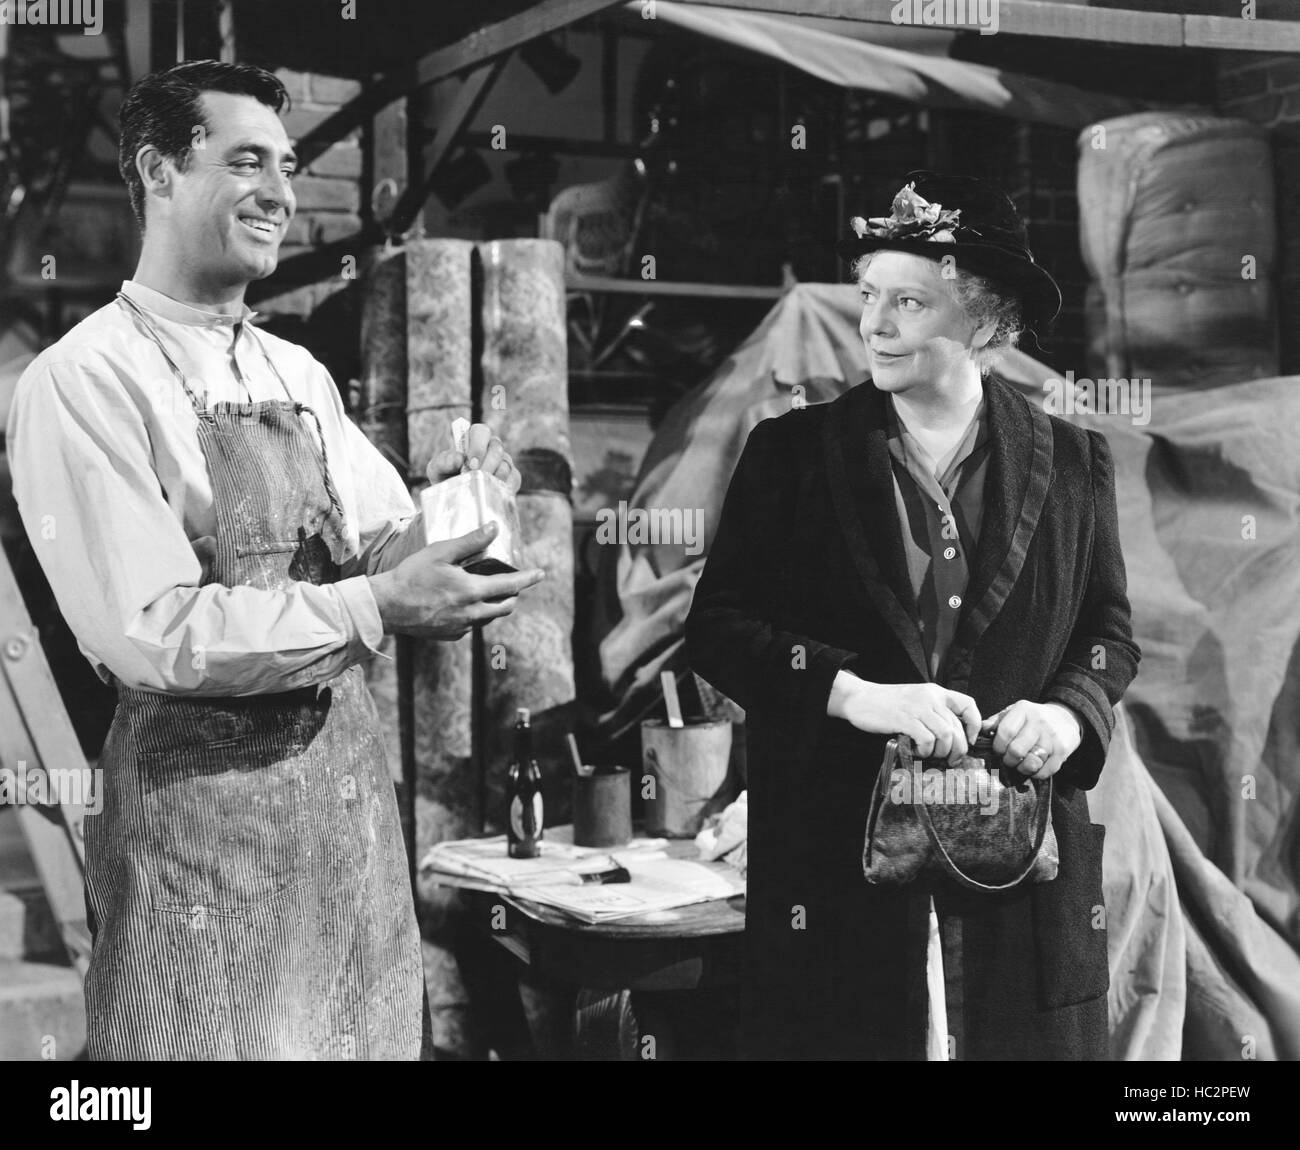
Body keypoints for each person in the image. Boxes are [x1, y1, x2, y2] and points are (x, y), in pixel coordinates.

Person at [6, 60, 545, 1060]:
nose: (281, 193)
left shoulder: (293, 370)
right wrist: (379, 605)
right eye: (246, 160)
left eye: (288, 166)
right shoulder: (81, 380)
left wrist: (465, 505)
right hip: (198, 846)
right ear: (159, 171)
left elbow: (383, 545)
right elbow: (154, 633)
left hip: (343, 830)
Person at [685, 173, 1140, 1060]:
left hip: (1015, 880)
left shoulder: (1074, 463)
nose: (875, 325)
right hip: (839, 877)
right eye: (868, 296)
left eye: (909, 302)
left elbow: (1108, 635)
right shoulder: (791, 455)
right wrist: (855, 694)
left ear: (986, 324)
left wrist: (1066, 715)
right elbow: (720, 627)